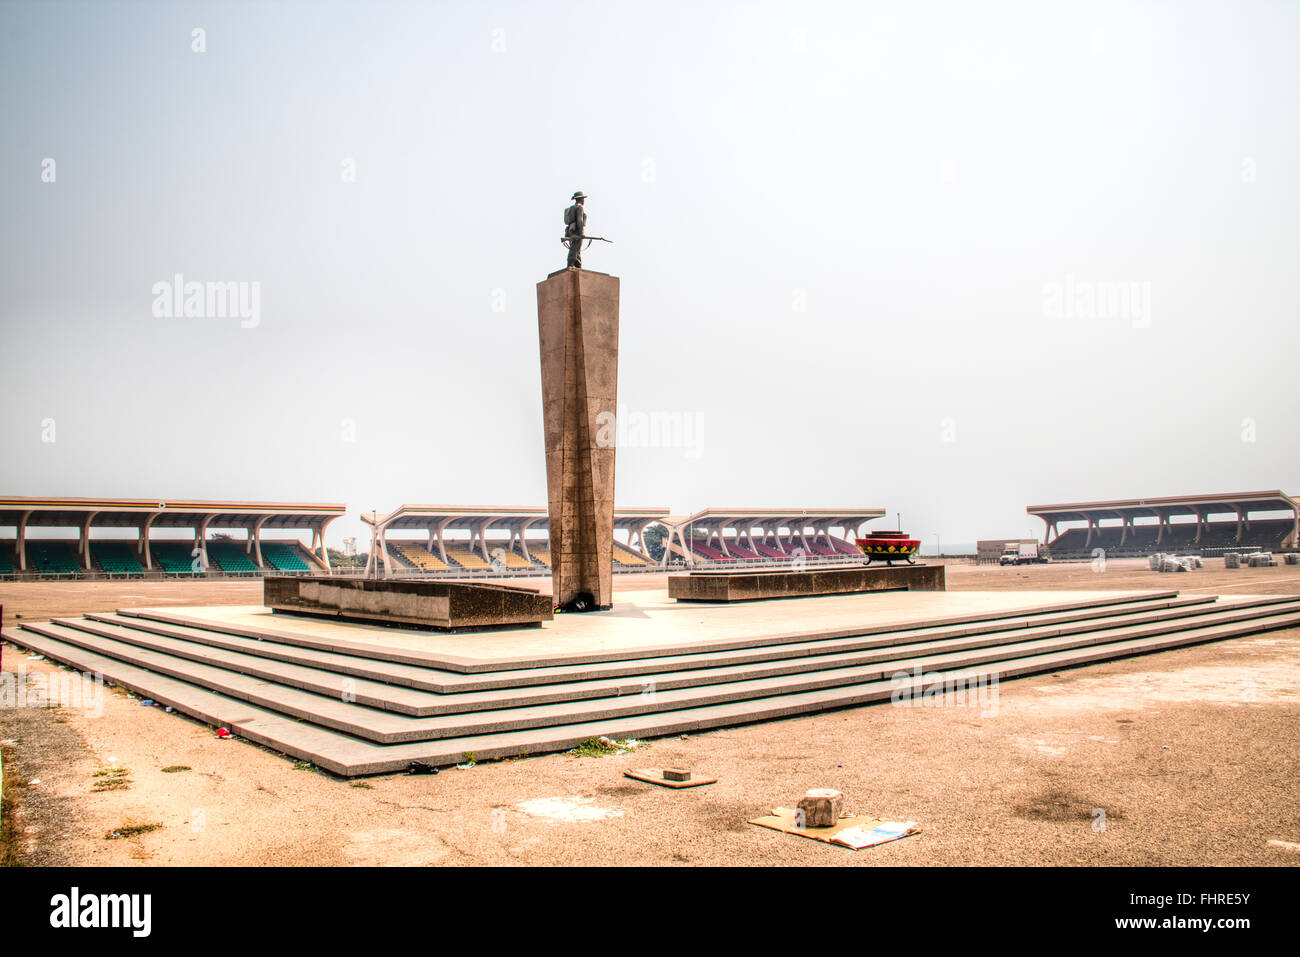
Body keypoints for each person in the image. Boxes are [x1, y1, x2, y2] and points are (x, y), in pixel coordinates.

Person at [563, 191, 587, 268]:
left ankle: (578, 265)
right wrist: (581, 232)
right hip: (576, 230)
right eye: (583, 199)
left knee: (576, 248)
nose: (584, 200)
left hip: (571, 230)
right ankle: (571, 264)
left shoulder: (571, 208)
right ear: (581, 199)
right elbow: (580, 220)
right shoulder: (579, 207)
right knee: (575, 248)